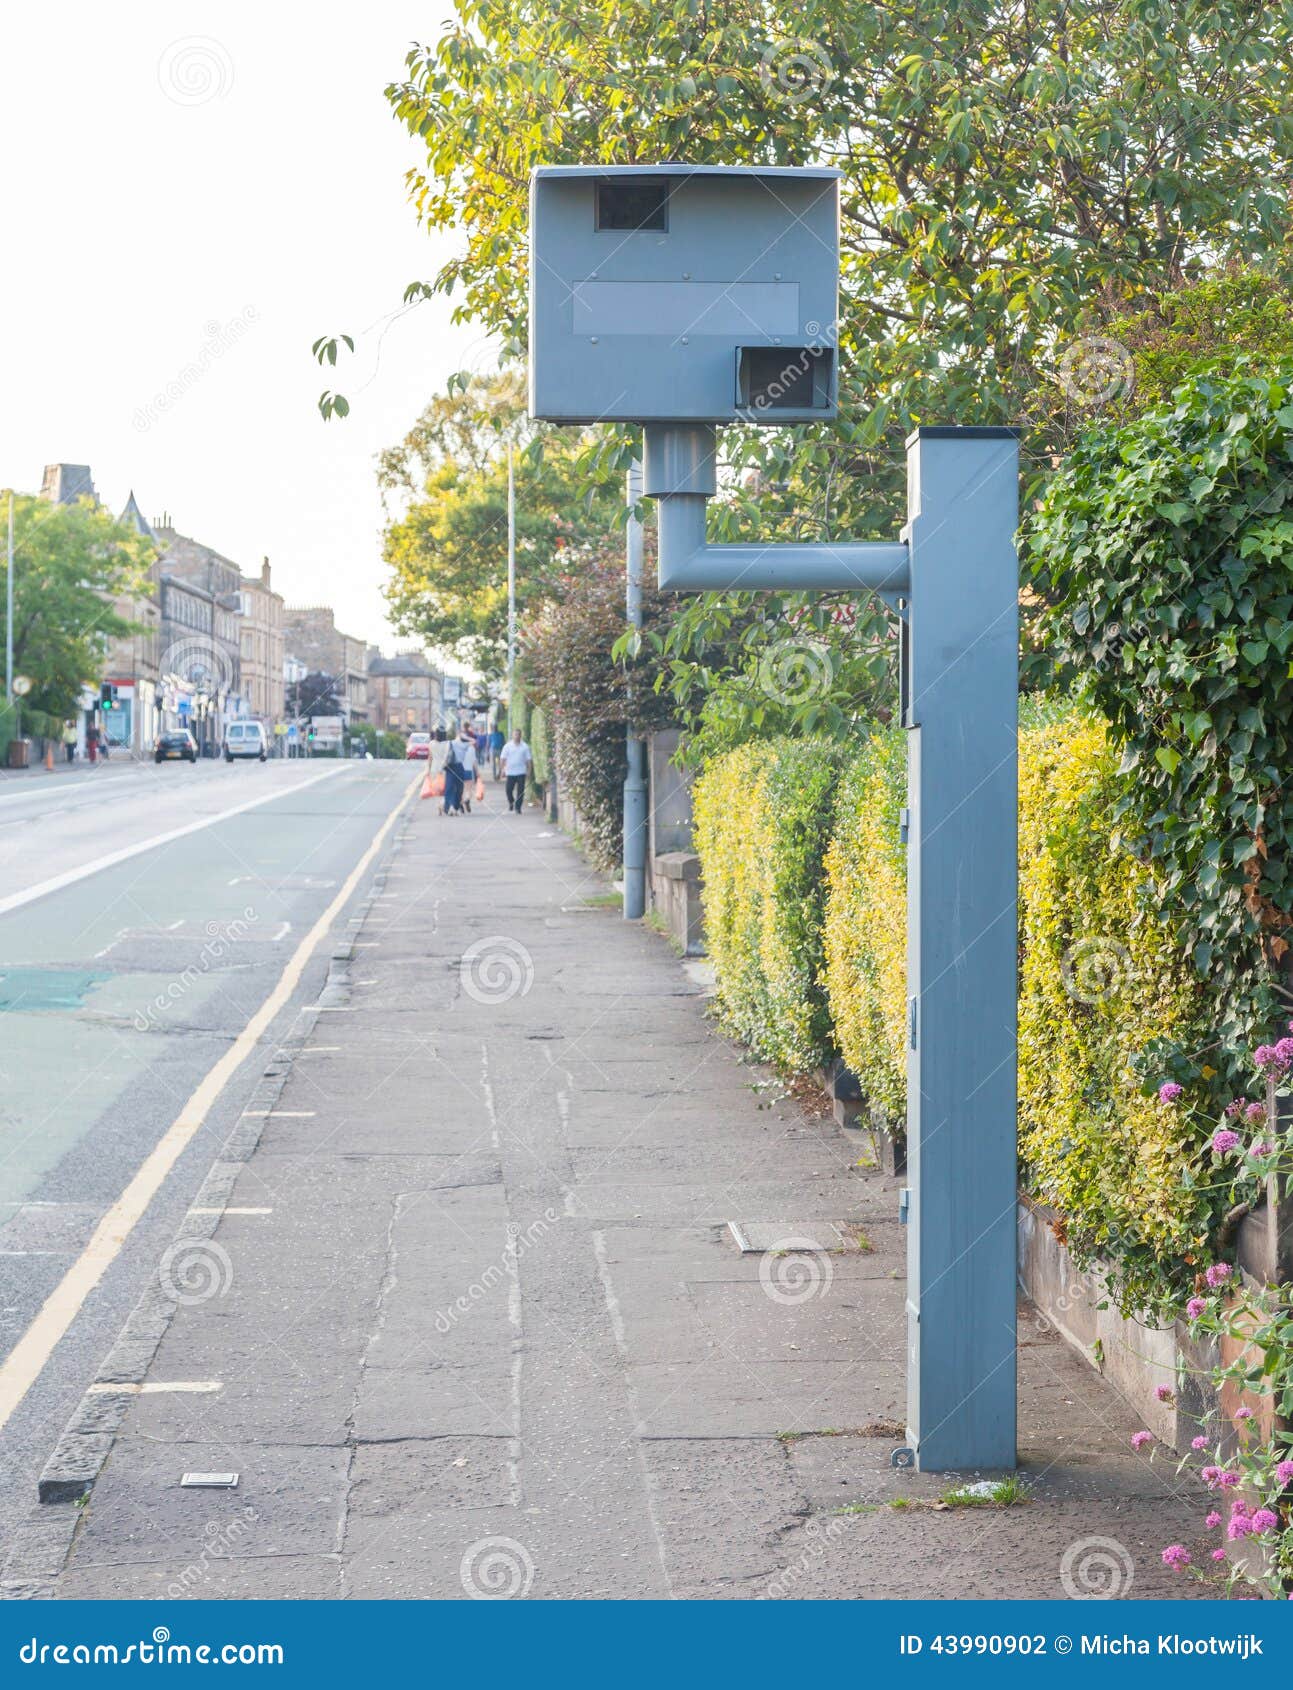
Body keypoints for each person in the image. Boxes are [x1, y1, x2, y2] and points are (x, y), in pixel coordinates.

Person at [443, 723, 478, 816]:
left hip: (450, 767)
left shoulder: (450, 743)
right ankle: (454, 807)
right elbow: (474, 741)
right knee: (459, 789)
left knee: (449, 788)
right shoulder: (465, 745)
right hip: (459, 767)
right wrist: (467, 738)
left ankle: (449, 807)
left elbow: (445, 755)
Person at [499, 727, 533, 814]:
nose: (517, 736)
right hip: (510, 772)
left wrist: (529, 771)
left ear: (520, 736)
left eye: (518, 734)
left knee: (520, 791)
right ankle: (511, 802)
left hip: (521, 771)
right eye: (515, 734)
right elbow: (502, 758)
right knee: (508, 790)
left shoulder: (525, 747)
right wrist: (502, 770)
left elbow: (528, 760)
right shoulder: (507, 746)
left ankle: (518, 807)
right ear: (512, 735)